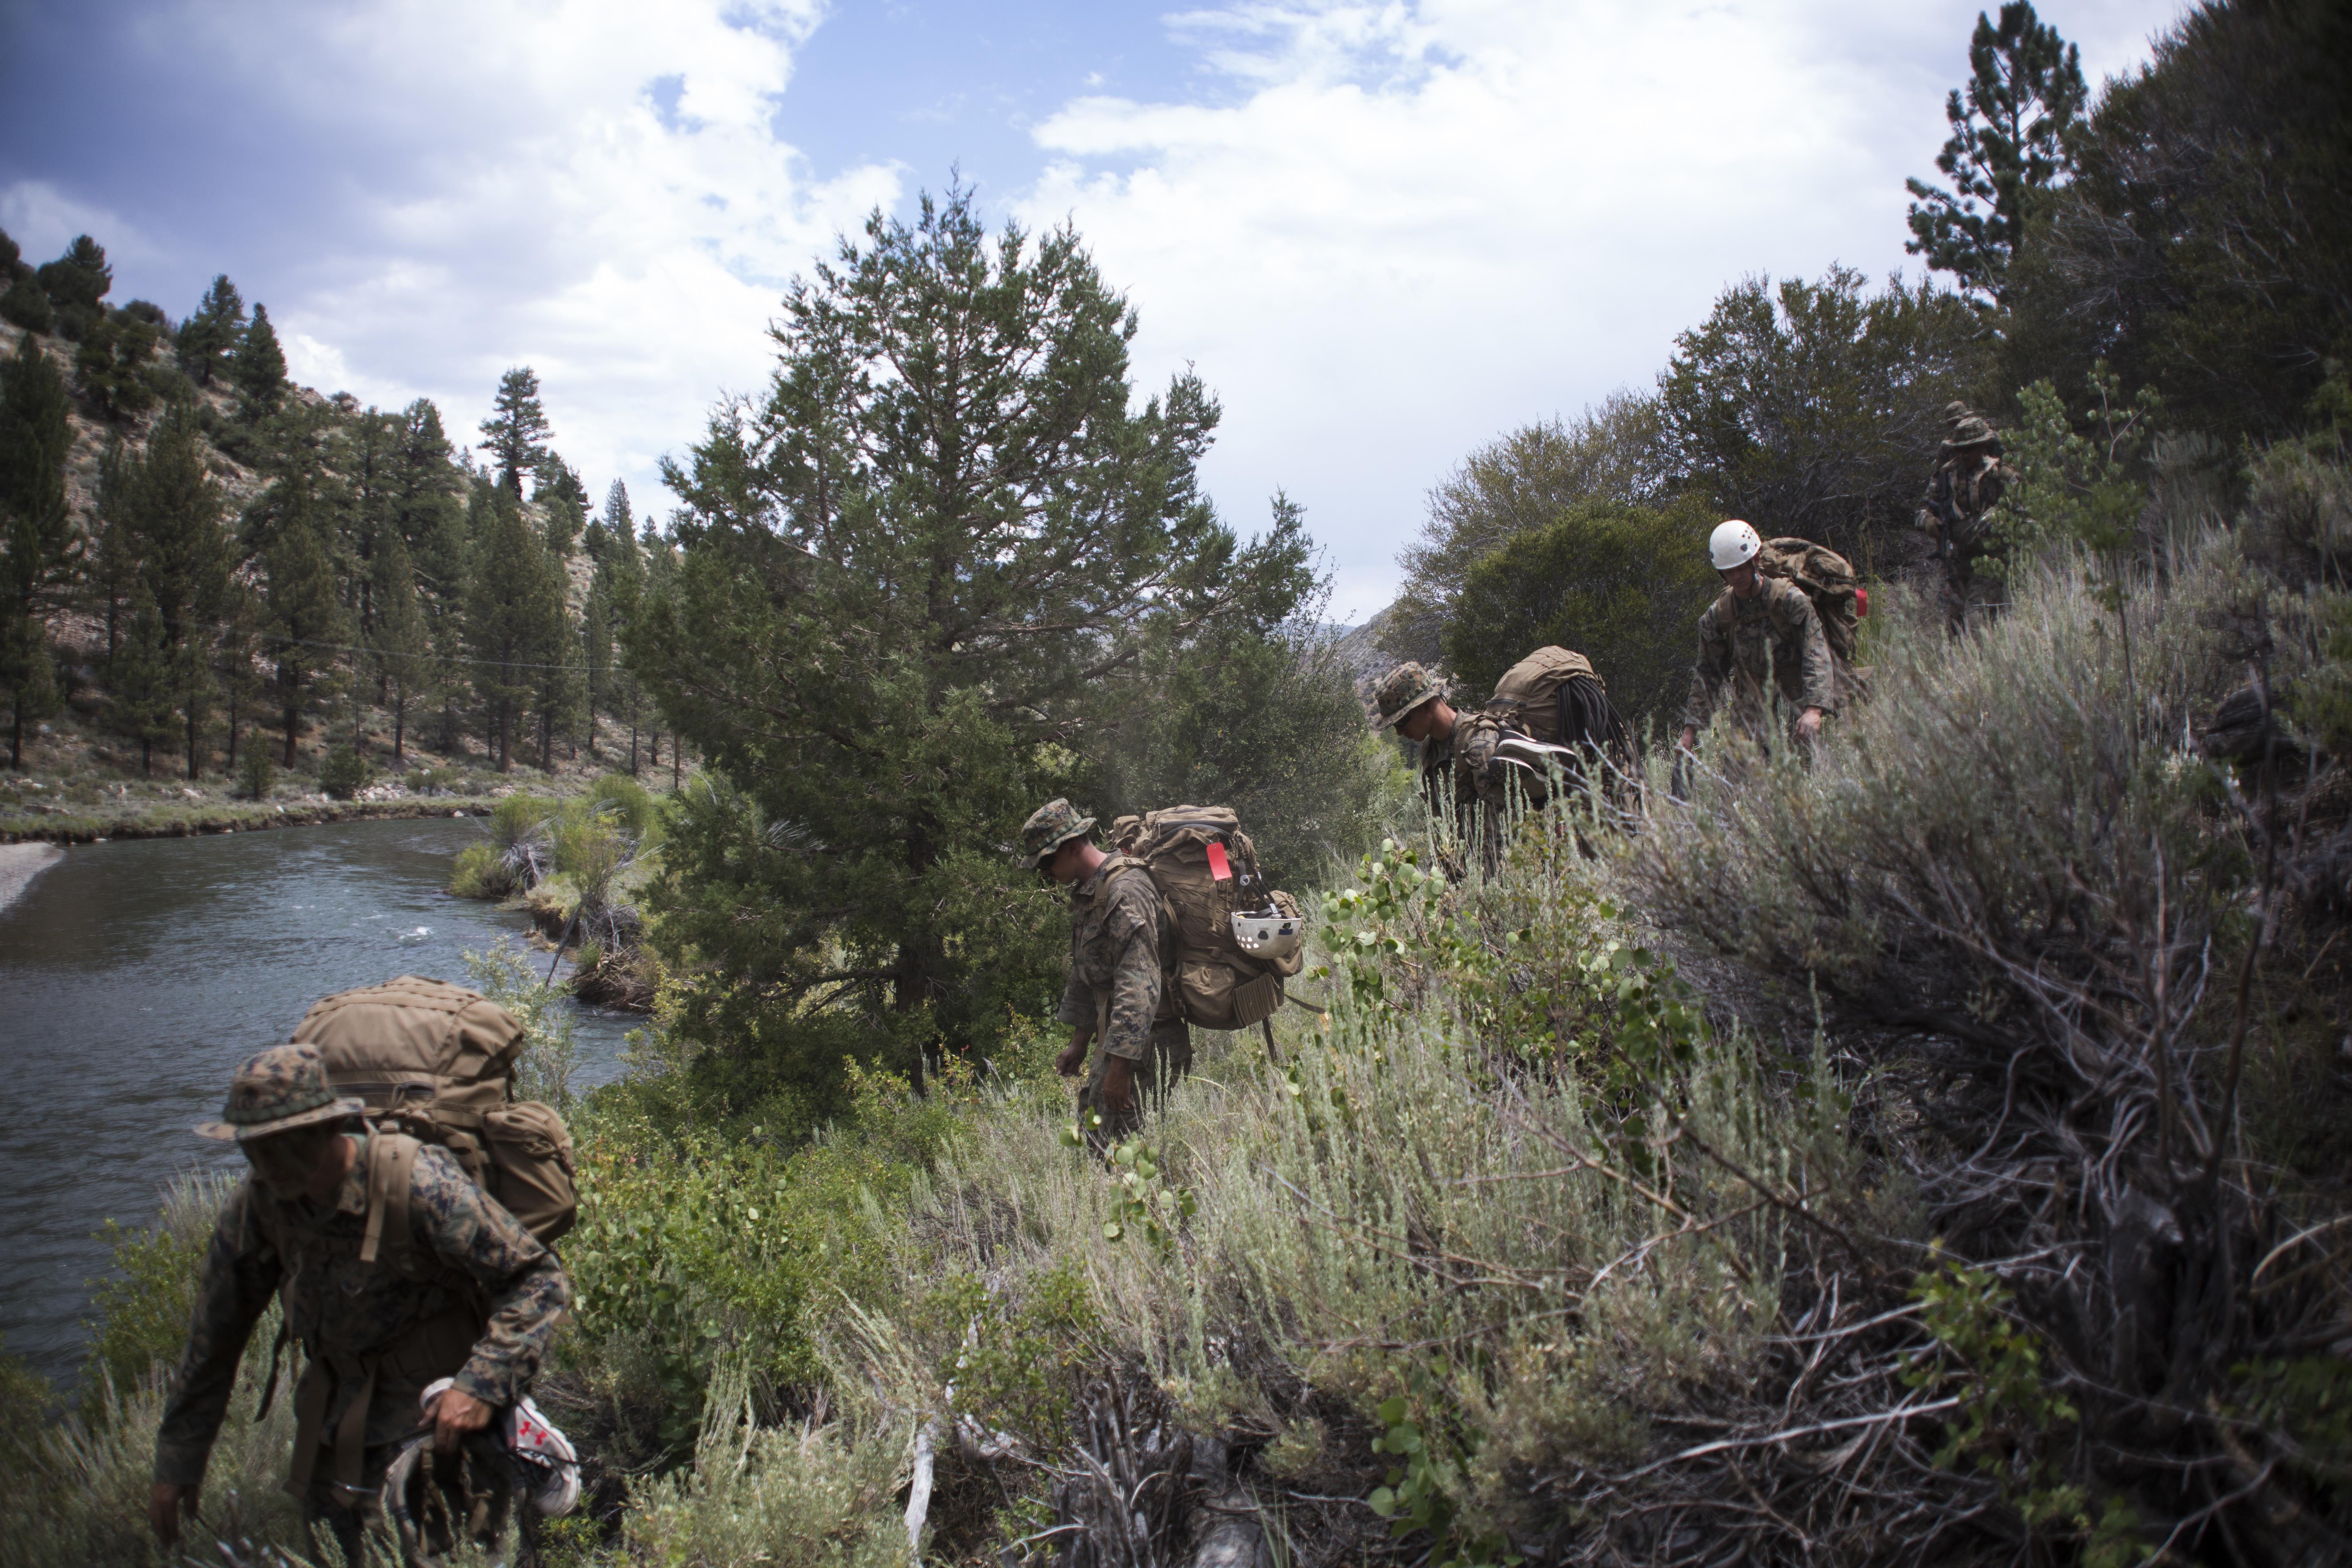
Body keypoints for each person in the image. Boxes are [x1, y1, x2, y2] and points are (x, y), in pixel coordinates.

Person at [150, 1042, 569, 1566]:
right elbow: (216, 1333)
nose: (263, 1164)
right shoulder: (261, 1203)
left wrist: (481, 1386)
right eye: (251, 1148)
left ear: (325, 1130)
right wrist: (179, 1460)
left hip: (436, 1437)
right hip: (331, 1443)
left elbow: (537, 1278)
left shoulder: (415, 1183)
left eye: (279, 1145)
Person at [1019, 797, 1189, 1144]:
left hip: (1147, 1049)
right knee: (1099, 1143)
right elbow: (1088, 973)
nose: (1044, 872)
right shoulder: (1092, 892)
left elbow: (1138, 983)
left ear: (1071, 846)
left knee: (1128, 1154)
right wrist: (1080, 1042)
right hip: (1119, 1044)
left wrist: (1120, 1070)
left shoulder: (1125, 891)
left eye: (1046, 861)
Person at [1677, 519, 1838, 755]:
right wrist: (1690, 732)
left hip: (1796, 712)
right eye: (1729, 571)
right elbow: (1707, 675)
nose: (1737, 576)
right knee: (1740, 789)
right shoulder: (1718, 616)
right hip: (1749, 719)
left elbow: (1816, 655)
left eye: (1742, 568)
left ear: (1756, 561)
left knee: (1801, 784)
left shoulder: (1791, 601)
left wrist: (1814, 711)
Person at [1918, 402, 2018, 631]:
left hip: (1989, 560)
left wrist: (1999, 515)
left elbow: (2023, 504)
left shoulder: (1999, 473)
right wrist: (1929, 522)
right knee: (1954, 624)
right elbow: (1922, 509)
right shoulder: (1946, 476)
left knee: (1980, 619)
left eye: (1970, 449)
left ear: (1982, 447)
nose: (1964, 454)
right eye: (1959, 449)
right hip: (1956, 561)